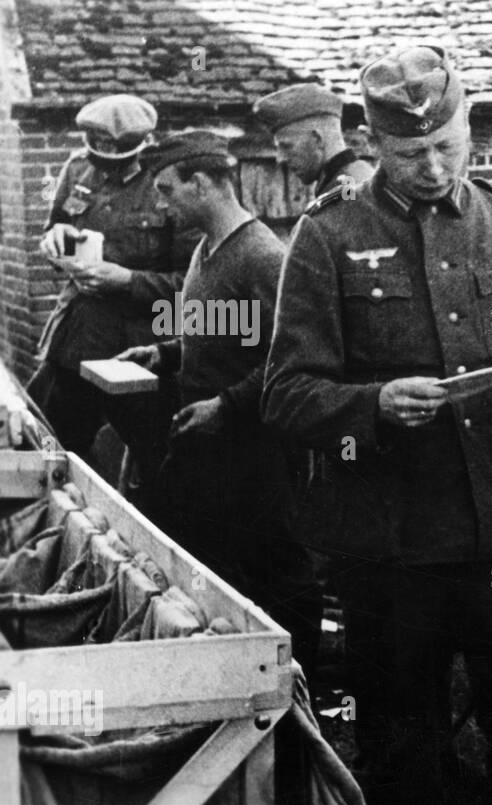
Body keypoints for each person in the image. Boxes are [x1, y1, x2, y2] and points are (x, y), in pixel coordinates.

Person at [261, 46, 492, 805]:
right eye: (409, 156)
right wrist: (370, 406)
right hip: (391, 548)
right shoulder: (328, 237)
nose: (433, 169)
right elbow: (285, 393)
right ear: (371, 143)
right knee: (406, 752)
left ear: (468, 128)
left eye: (448, 146)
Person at [116, 131, 322, 676]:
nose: (161, 205)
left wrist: (226, 407)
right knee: (215, 564)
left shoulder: (261, 256)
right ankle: (235, 680)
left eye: (167, 190)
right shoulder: (207, 251)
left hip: (255, 446)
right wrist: (165, 352)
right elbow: (226, 331)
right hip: (211, 443)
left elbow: (291, 356)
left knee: (278, 568)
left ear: (202, 183)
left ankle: (299, 686)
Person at [29, 94, 194, 462]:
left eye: (117, 160)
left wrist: (127, 280)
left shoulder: (166, 183)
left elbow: (195, 286)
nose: (106, 170)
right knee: (44, 441)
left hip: (139, 348)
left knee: (156, 453)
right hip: (76, 339)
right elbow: (56, 227)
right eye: (98, 158)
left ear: (140, 147)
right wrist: (55, 242)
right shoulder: (77, 168)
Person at [252, 83, 375, 197]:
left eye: (287, 146)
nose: (280, 158)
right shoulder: (352, 179)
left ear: (317, 139)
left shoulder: (347, 191)